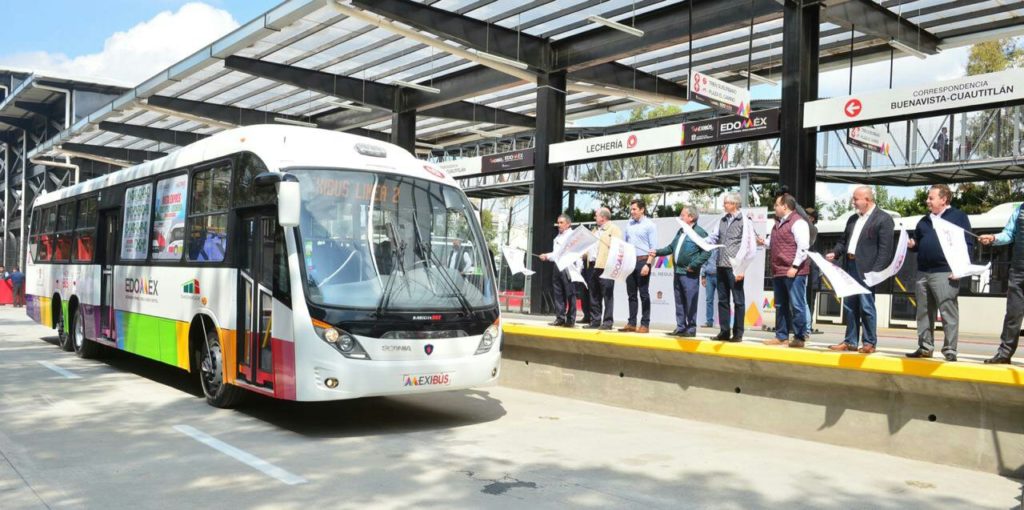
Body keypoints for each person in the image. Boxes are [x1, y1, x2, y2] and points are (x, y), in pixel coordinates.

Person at [825, 186, 895, 353]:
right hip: (849, 266)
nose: (853, 202)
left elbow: (885, 250)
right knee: (850, 306)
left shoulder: (883, 219)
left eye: (856, 199)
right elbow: (843, 241)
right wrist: (835, 252)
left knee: (866, 306)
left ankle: (869, 342)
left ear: (867, 200)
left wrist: (876, 273)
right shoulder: (852, 219)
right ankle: (850, 341)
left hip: (867, 271)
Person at [905, 184, 971, 362]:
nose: (927, 201)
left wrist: (961, 269)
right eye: (928, 197)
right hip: (923, 272)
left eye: (931, 198)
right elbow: (918, 242)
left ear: (944, 199)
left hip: (946, 272)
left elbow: (968, 244)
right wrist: (913, 245)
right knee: (924, 312)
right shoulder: (924, 221)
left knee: (948, 312)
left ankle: (950, 350)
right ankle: (925, 347)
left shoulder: (958, 217)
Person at [650, 207, 712, 337]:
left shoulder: (700, 232)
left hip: (689, 273)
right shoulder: (681, 231)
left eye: (682, 215)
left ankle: (691, 329)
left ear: (691, 217)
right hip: (677, 271)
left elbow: (707, 251)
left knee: (690, 301)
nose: (680, 217)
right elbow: (671, 248)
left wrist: (694, 265)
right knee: (679, 301)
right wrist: (657, 252)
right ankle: (681, 327)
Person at [759, 194, 810, 348]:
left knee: (797, 305)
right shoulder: (778, 224)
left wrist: (794, 267)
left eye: (776, 205)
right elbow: (776, 243)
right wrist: (764, 242)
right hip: (779, 271)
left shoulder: (798, 223)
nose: (774, 207)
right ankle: (781, 336)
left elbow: (803, 247)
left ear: (785, 207)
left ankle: (800, 337)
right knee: (780, 305)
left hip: (793, 271)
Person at [978, 201, 1024, 364]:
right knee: (1013, 314)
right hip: (1018, 270)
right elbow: (1009, 234)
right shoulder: (1019, 210)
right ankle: (1004, 354)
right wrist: (993, 238)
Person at [705, 192, 747, 342]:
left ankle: (738, 333)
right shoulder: (722, 220)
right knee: (722, 300)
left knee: (738, 301)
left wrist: (741, 269)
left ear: (734, 204)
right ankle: (724, 332)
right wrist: (702, 241)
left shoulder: (745, 221)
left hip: (735, 267)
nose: (724, 205)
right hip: (720, 265)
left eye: (726, 203)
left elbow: (748, 245)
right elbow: (714, 237)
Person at [620, 199, 657, 333]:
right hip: (630, 261)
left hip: (643, 261)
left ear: (642, 210)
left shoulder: (650, 225)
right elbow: (624, 244)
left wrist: (648, 264)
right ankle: (631, 323)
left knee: (643, 293)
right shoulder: (628, 224)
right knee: (631, 294)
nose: (632, 212)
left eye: (634, 209)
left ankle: (645, 324)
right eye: (631, 209)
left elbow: (653, 248)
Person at [584, 207, 623, 330]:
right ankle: (595, 321)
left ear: (603, 217)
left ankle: (607, 322)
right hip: (592, 265)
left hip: (605, 266)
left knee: (607, 294)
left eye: (596, 215)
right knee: (594, 294)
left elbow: (618, 248)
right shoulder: (595, 230)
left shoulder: (614, 229)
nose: (595, 218)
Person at [539, 214, 578, 327]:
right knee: (558, 293)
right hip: (557, 266)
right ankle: (560, 317)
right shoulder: (558, 236)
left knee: (570, 293)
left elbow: (564, 253)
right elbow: (556, 254)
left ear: (568, 224)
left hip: (568, 266)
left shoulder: (572, 235)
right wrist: (548, 256)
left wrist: (547, 255)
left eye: (561, 223)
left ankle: (571, 319)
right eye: (558, 223)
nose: (559, 225)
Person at [804, 208, 822, 335]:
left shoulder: (812, 231)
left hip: (812, 273)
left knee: (807, 300)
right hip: (810, 271)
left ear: (811, 219)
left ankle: (807, 327)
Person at [701, 249, 718, 327]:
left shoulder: (722, 248)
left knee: (723, 300)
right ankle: (709, 321)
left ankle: (724, 323)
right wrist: (703, 276)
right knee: (709, 300)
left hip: (720, 276)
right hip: (708, 276)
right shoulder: (708, 248)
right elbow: (704, 263)